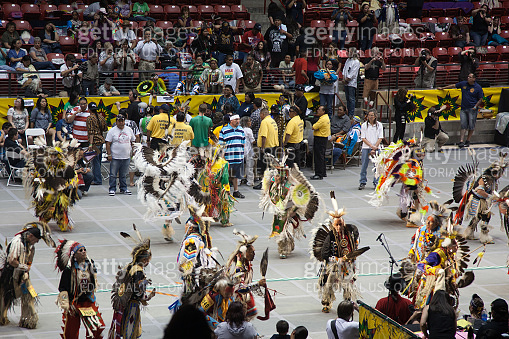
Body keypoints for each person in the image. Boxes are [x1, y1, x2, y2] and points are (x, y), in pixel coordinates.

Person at [109, 226, 155, 338]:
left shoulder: (129, 266)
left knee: (124, 325)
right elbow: (138, 290)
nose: (148, 262)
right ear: (144, 260)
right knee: (130, 329)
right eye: (148, 260)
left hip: (123, 303)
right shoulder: (138, 271)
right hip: (132, 305)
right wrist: (147, 297)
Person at [0, 225, 49, 328]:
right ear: (30, 236)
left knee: (28, 295)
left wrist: (27, 266)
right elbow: (12, 261)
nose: (36, 242)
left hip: (23, 275)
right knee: (5, 297)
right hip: (11, 274)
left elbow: (28, 259)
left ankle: (28, 320)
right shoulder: (17, 242)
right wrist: (24, 267)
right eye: (36, 240)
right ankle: (2, 317)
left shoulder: (29, 244)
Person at [55, 240, 105, 338]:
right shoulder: (69, 270)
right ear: (74, 255)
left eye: (84, 250)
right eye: (80, 250)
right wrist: (66, 304)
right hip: (74, 303)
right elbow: (62, 288)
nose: (83, 252)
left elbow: (93, 284)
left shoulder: (89, 265)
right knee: (71, 332)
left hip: (88, 301)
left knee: (97, 328)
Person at [438, 73, 484, 148]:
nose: (468, 78)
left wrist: (475, 106)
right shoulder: (463, 84)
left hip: (472, 109)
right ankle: (461, 141)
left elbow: (480, 99)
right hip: (463, 108)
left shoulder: (478, 87)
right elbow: (453, 85)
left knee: (471, 126)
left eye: (470, 77)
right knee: (463, 125)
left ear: (474, 79)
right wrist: (443, 88)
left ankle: (468, 140)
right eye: (468, 76)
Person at [105, 113, 135, 196]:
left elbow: (132, 141)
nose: (121, 123)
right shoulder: (112, 131)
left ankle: (123, 188)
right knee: (113, 174)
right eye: (119, 121)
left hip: (126, 156)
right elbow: (108, 143)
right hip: (115, 156)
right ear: (116, 122)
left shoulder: (129, 129)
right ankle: (112, 188)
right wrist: (109, 154)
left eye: (122, 121)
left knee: (123, 174)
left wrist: (133, 151)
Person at [219, 114, 246, 199]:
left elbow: (243, 142)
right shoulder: (224, 130)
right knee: (226, 175)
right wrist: (222, 157)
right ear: (231, 121)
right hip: (228, 157)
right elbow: (221, 145)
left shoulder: (241, 130)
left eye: (239, 119)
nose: (238, 121)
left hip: (238, 157)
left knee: (235, 175)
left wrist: (242, 153)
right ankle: (225, 191)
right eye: (236, 119)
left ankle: (235, 191)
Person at [253, 108, 279, 189]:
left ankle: (263, 184)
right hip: (273, 146)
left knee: (263, 167)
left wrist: (262, 148)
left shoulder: (264, 122)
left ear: (262, 114)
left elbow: (264, 135)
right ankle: (271, 183)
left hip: (266, 147)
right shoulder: (272, 121)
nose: (260, 116)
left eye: (260, 115)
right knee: (271, 167)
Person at [359, 109, 383, 190]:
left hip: (376, 147)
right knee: (364, 166)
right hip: (366, 147)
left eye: (372, 115)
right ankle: (362, 181)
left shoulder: (379, 125)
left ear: (375, 116)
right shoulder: (364, 125)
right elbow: (363, 138)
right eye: (369, 115)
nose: (370, 117)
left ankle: (376, 182)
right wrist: (371, 146)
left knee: (376, 166)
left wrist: (375, 147)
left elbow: (380, 137)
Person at [86, 102, 108, 185]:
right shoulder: (101, 117)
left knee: (95, 162)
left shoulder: (90, 118)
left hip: (94, 142)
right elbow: (105, 128)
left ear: (89, 109)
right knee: (98, 161)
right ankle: (97, 178)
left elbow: (91, 132)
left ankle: (97, 180)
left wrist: (91, 144)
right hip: (101, 140)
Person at [311, 106, 331, 180]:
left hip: (320, 139)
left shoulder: (322, 119)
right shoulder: (326, 118)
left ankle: (319, 174)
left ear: (323, 112)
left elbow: (314, 127)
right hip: (323, 139)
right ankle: (323, 172)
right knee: (321, 156)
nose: (317, 111)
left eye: (319, 110)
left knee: (318, 157)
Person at [343, 48, 360, 117]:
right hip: (346, 82)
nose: (348, 53)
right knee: (347, 98)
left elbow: (353, 73)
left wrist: (347, 79)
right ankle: (347, 112)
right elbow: (344, 69)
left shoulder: (356, 62)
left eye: (350, 52)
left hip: (351, 83)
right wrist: (344, 78)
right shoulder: (348, 60)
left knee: (351, 98)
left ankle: (351, 113)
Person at [240, 116, 255, 186]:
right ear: (246, 122)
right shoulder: (249, 130)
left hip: (240, 149)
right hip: (248, 150)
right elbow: (252, 140)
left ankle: (238, 181)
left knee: (240, 165)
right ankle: (250, 181)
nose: (251, 122)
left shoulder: (239, 129)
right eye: (249, 121)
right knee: (249, 166)